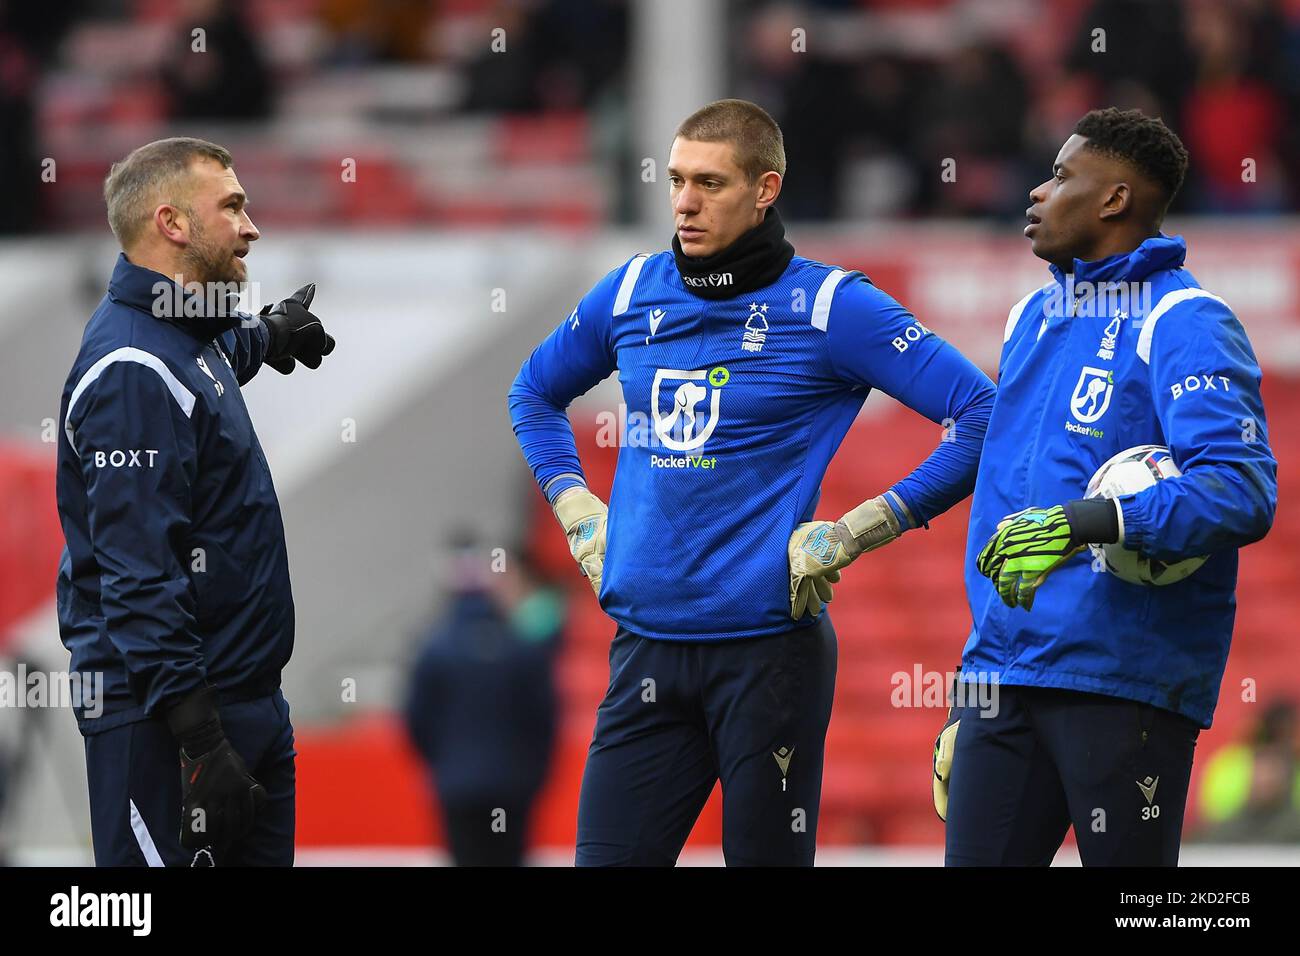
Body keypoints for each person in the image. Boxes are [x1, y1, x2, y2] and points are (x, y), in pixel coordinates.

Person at [508, 99, 995, 866]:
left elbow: (981, 413)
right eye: (675, 180)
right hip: (645, 654)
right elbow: (533, 393)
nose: (683, 202)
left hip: (768, 661)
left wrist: (861, 528)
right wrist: (576, 509)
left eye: (709, 182)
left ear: (766, 189)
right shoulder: (631, 291)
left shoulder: (833, 306)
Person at [935, 108, 1278, 866]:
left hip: (1122, 679)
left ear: (1114, 200)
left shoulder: (1185, 320)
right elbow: (1003, 500)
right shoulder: (1033, 315)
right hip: (1005, 678)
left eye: (1060, 176)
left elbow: (1240, 488)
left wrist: (1090, 520)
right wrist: (973, 683)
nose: (1036, 192)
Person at [55, 137, 337, 866]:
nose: (253, 227)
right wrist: (200, 740)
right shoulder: (131, 371)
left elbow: (211, 357)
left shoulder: (185, 331)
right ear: (173, 224)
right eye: (234, 207)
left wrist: (268, 335)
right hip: (169, 726)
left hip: (246, 704)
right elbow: (140, 577)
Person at [404, 539, 561, 866]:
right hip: (513, 787)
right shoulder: (522, 646)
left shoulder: (434, 648)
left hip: (457, 787)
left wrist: (441, 766)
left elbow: (416, 717)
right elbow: (544, 717)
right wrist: (535, 775)